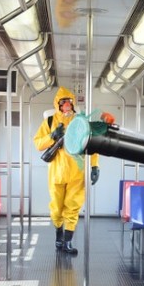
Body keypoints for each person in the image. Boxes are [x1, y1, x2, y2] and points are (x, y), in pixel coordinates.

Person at [35, 87, 99, 255]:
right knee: (57, 208)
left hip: (77, 172)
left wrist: (94, 166)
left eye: (69, 102)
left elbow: (92, 145)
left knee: (73, 207)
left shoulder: (81, 121)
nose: (66, 105)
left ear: (73, 103)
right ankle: (58, 235)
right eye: (63, 103)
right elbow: (38, 144)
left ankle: (68, 242)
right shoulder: (49, 122)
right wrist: (52, 137)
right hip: (56, 172)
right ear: (58, 104)